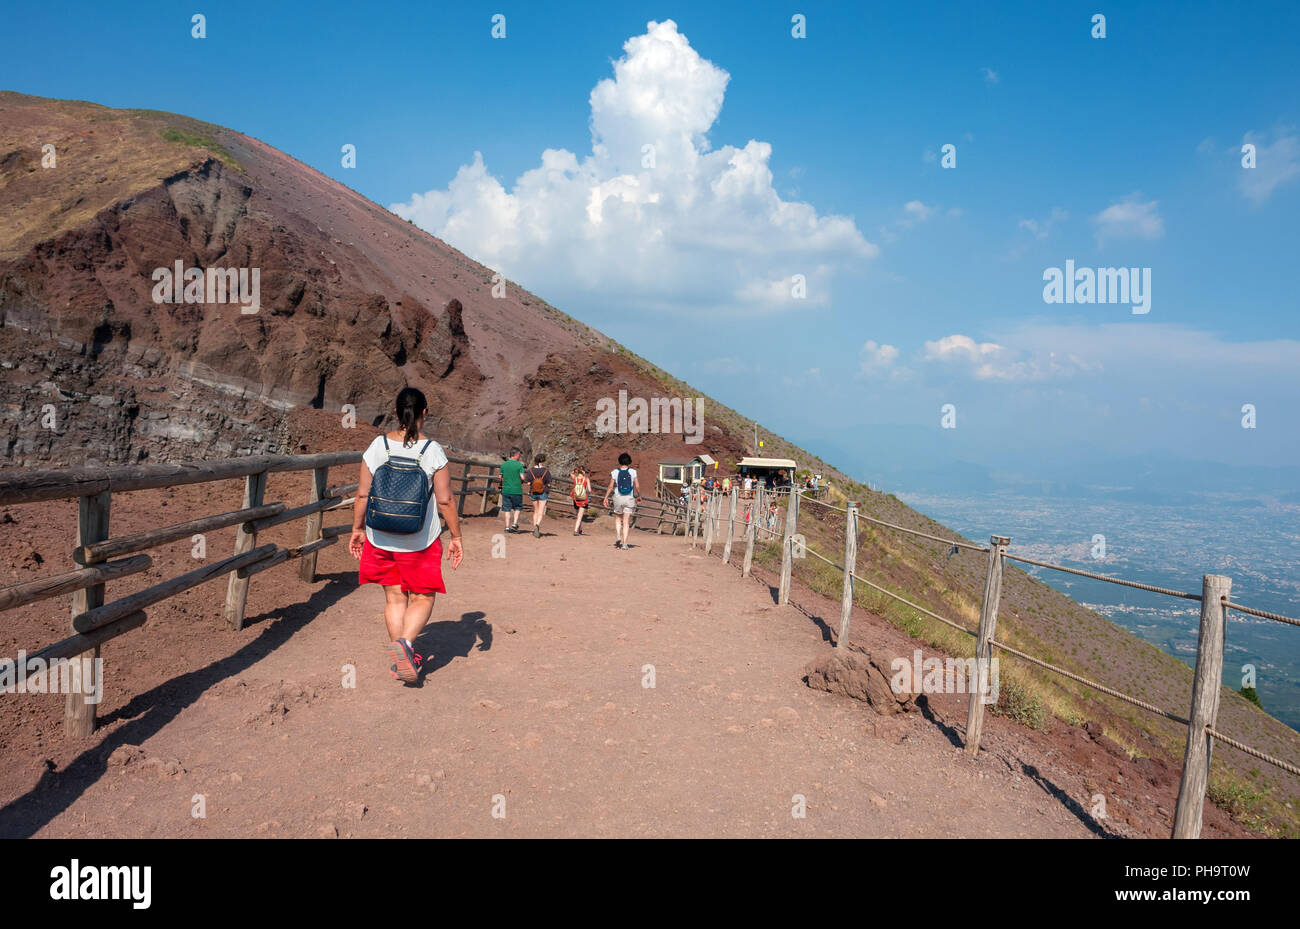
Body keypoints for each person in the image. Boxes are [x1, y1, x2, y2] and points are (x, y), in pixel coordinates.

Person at [350, 387, 463, 685]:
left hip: (380, 536)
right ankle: (406, 646)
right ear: (424, 413)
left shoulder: (378, 446)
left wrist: (358, 529)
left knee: (394, 597)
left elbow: (362, 494)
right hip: (419, 541)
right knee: (423, 597)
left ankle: (402, 654)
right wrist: (456, 536)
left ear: (397, 412)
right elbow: (445, 500)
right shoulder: (432, 450)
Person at [603, 451, 641, 550]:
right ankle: (625, 544)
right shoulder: (633, 472)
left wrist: (606, 497)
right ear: (629, 462)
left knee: (618, 518)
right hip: (629, 498)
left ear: (619, 461)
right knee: (626, 521)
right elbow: (637, 486)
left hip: (618, 498)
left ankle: (618, 536)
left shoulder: (615, 472)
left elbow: (611, 486)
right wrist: (639, 496)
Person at [499, 448, 525, 533]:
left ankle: (507, 526)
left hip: (506, 490)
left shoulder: (504, 465)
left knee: (507, 509)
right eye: (519, 455)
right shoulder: (519, 465)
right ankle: (514, 524)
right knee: (517, 507)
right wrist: (522, 481)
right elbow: (522, 477)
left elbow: (500, 477)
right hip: (517, 490)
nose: (519, 457)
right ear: (516, 454)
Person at [526, 453, 551, 537]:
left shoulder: (531, 470)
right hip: (543, 493)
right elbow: (549, 484)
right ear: (543, 460)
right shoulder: (546, 471)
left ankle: (534, 529)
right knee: (540, 512)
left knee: (535, 511)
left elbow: (528, 483)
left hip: (533, 492)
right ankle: (537, 525)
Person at [570, 466, 590, 536]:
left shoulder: (575, 478)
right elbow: (590, 490)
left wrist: (576, 471)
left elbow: (571, 473)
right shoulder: (586, 479)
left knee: (578, 515)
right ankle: (576, 531)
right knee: (580, 516)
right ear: (583, 471)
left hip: (575, 498)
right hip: (583, 499)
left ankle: (579, 529)